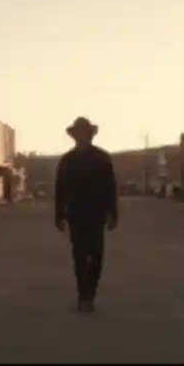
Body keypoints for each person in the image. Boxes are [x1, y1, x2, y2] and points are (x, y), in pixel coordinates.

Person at [54, 116, 118, 314]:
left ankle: (91, 292)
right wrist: (59, 216)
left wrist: (112, 214)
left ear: (90, 135)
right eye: (78, 134)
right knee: (79, 256)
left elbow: (110, 188)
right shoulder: (67, 161)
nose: (81, 137)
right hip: (76, 214)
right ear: (74, 137)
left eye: (84, 133)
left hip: (96, 215)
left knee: (97, 256)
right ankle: (83, 296)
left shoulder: (102, 159)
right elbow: (60, 190)